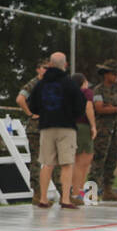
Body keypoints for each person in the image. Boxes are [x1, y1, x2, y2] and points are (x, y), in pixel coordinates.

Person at [30, 52, 86, 209]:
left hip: (46, 126)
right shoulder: (69, 83)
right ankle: (66, 199)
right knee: (67, 163)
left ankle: (43, 198)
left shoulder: (41, 84)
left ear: (50, 64)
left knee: (47, 163)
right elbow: (80, 105)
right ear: (65, 64)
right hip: (66, 127)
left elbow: (32, 103)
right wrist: (72, 115)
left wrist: (42, 113)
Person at [17, 56, 64, 204]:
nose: (46, 70)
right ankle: (37, 194)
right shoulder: (34, 83)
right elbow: (20, 99)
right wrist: (30, 114)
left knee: (54, 161)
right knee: (37, 161)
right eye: (44, 68)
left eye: (49, 68)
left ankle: (63, 193)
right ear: (38, 69)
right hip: (36, 128)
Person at [90, 59, 117, 201]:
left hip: (116, 130)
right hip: (102, 130)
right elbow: (99, 108)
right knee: (98, 160)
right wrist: (116, 108)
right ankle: (91, 193)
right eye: (113, 74)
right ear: (106, 74)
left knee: (113, 159)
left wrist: (110, 107)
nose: (116, 77)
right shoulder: (98, 90)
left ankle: (107, 190)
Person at [68, 72, 97, 201]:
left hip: (70, 126)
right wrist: (93, 126)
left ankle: (75, 191)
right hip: (83, 127)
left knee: (74, 161)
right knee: (83, 161)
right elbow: (88, 107)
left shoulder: (68, 94)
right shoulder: (86, 93)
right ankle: (77, 192)